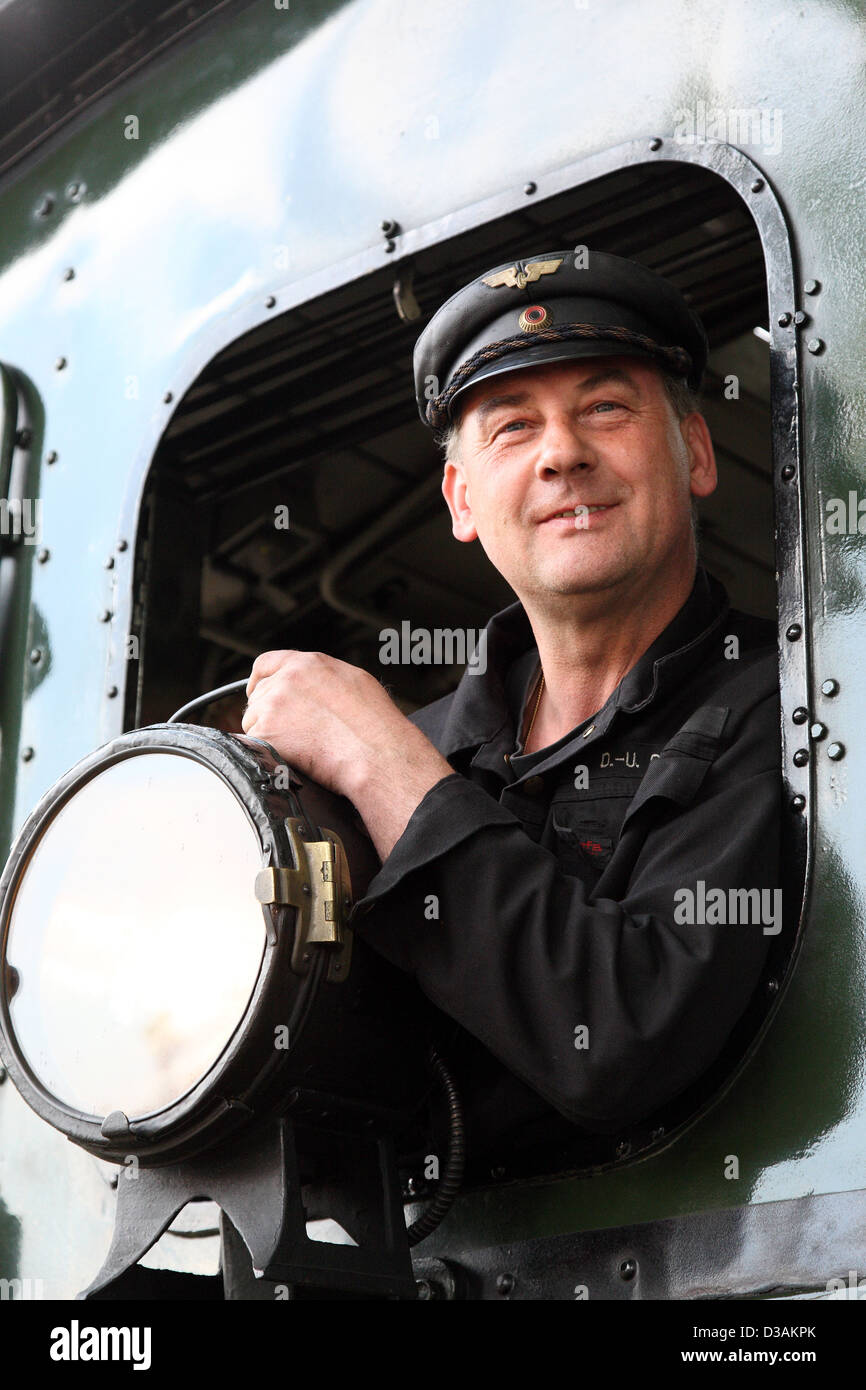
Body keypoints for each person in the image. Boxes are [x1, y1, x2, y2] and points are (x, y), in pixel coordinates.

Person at [242, 249, 782, 1157]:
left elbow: (621, 1041)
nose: (563, 454)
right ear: (461, 499)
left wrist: (388, 772)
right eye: (512, 427)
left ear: (693, 452)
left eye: (605, 409)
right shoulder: (401, 754)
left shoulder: (797, 704)